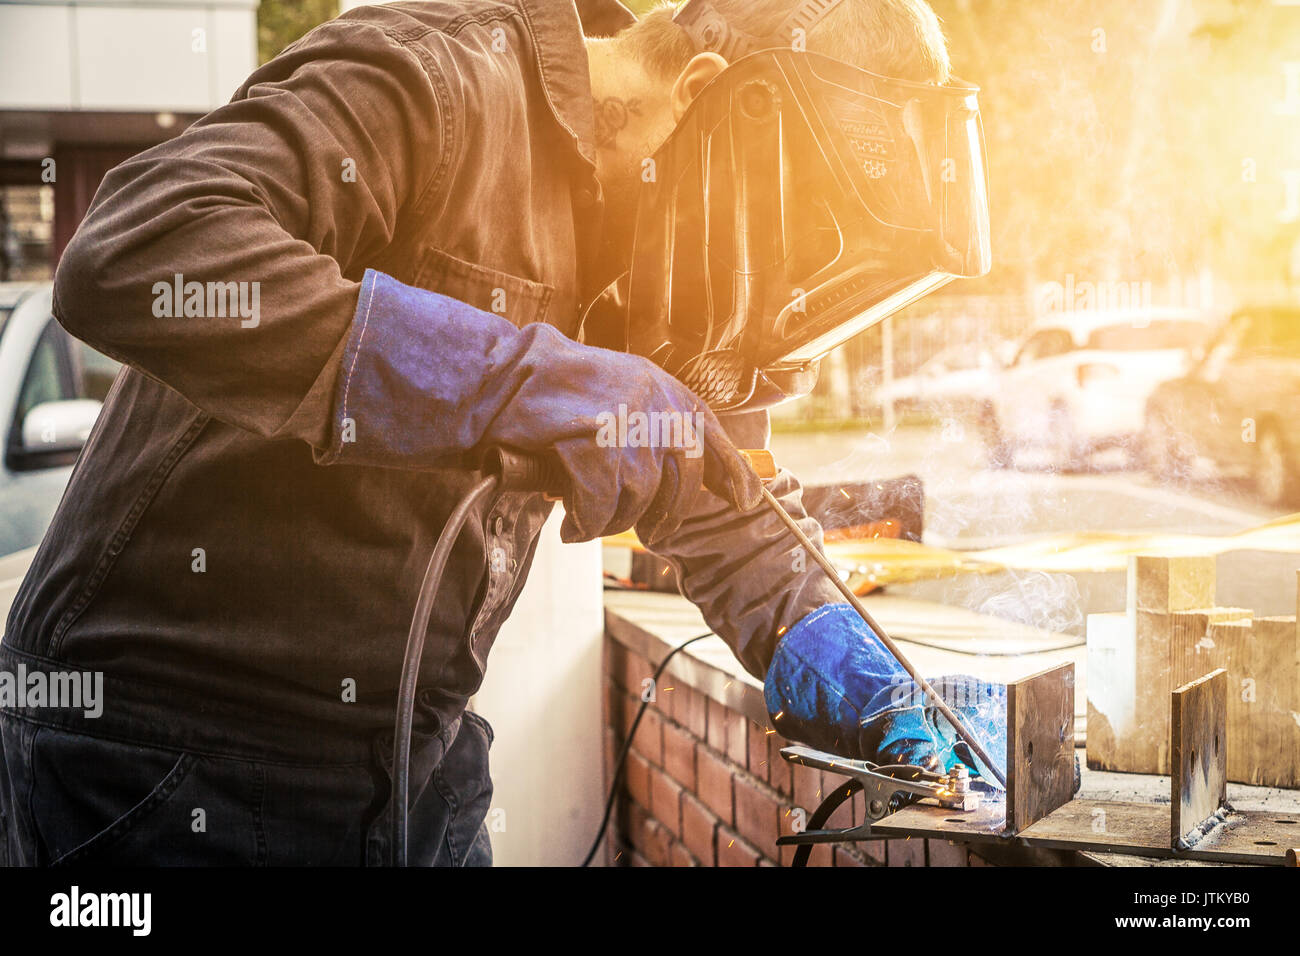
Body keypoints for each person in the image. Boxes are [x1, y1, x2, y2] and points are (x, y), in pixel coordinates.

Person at [0, 0, 1002, 867]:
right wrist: (518, 383)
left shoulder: (672, 268)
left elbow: (716, 491)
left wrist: (826, 641)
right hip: (165, 769)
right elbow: (140, 248)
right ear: (702, 94)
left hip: (416, 768)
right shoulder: (436, 77)